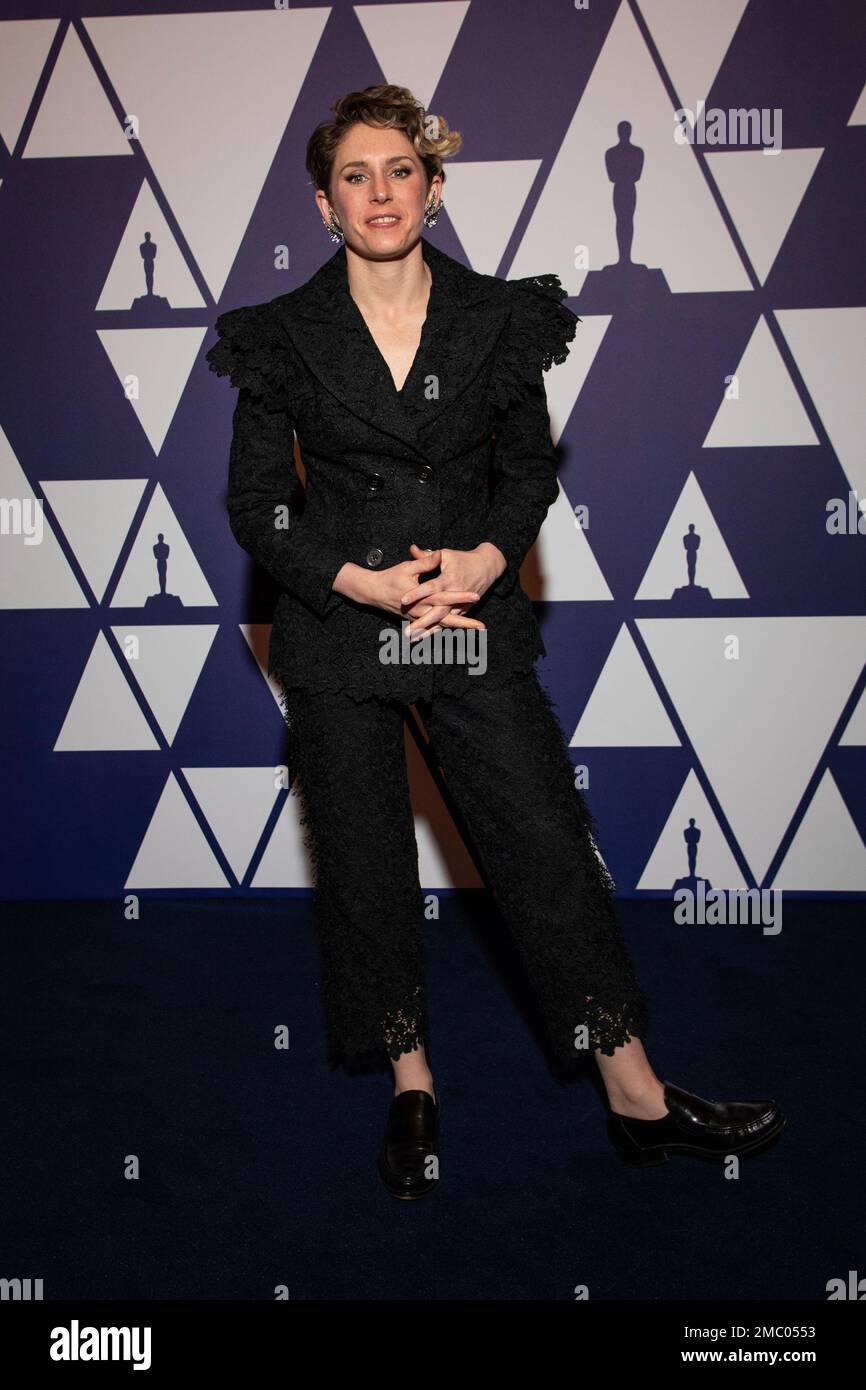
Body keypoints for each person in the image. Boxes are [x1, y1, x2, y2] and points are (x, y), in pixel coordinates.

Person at [206, 85, 785, 1198]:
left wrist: (482, 558)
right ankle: (410, 1084)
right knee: (367, 869)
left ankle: (635, 1094)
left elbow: (526, 467)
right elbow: (255, 507)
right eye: (353, 177)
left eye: (397, 171)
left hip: (464, 621)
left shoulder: (499, 319)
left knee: (542, 846)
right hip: (339, 631)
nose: (379, 193)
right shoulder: (277, 338)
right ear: (324, 204)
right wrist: (352, 578)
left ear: (431, 187)